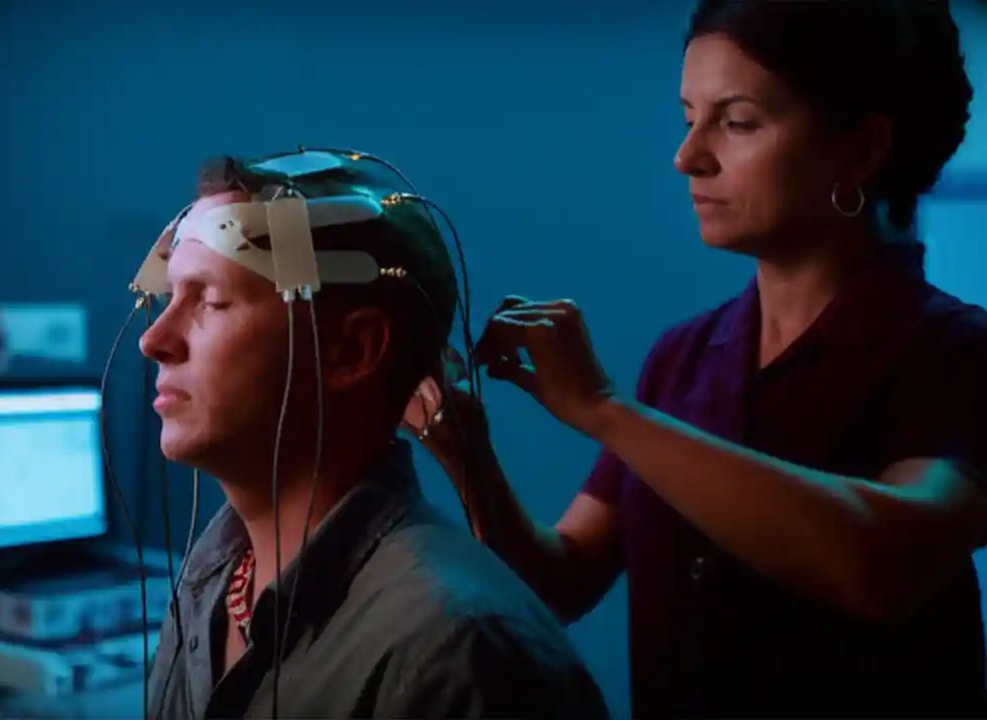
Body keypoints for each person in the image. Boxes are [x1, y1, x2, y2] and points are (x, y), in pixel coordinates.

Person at [406, 1, 987, 717]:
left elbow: (884, 565)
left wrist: (604, 412)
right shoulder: (683, 356)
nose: (688, 157)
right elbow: (559, 581)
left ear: (861, 149)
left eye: (737, 122)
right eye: (689, 119)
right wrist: (466, 450)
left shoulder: (952, 349)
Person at [138, 153, 608, 719]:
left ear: (353, 350)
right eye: (169, 298)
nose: (155, 340)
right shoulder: (207, 581)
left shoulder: (460, 654)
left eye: (211, 301)